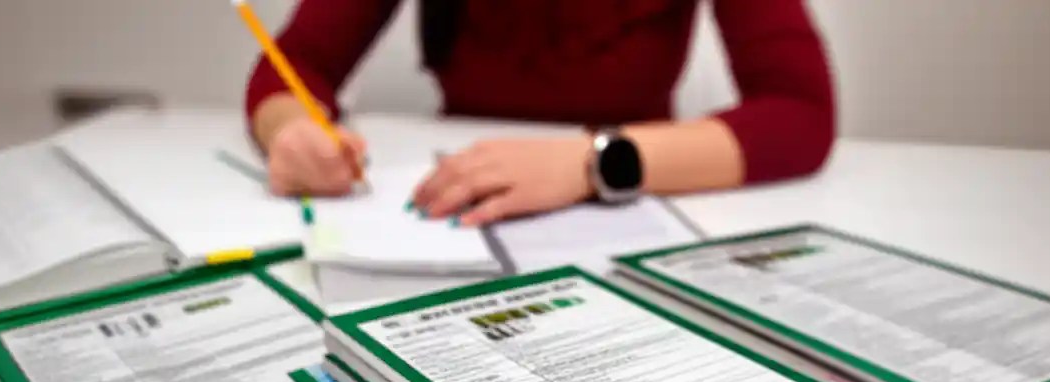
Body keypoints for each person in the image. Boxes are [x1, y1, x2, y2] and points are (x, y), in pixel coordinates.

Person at [247, 0, 835, 227]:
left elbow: (799, 112)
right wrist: (291, 130)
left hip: (641, 217)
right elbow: (296, 61)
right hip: (457, 214)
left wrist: (590, 162)